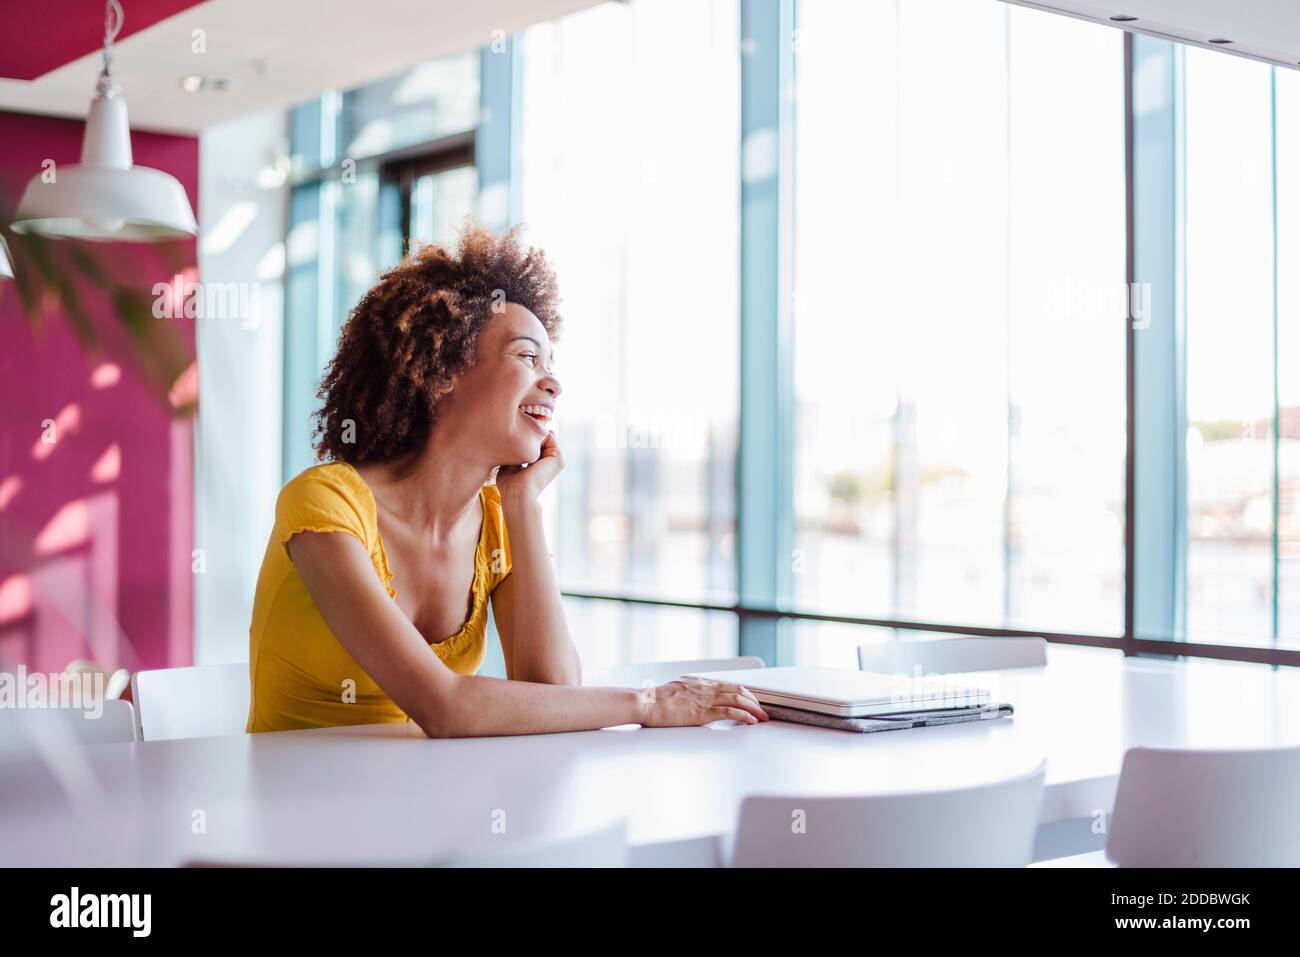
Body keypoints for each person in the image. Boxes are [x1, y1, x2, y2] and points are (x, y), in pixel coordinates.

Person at [245, 221, 767, 735]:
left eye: (551, 362)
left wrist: (522, 503)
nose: (553, 381)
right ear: (442, 371)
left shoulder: (495, 521)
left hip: (422, 800)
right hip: (298, 807)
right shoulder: (325, 503)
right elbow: (445, 708)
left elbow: (555, 693)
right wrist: (648, 703)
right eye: (526, 356)